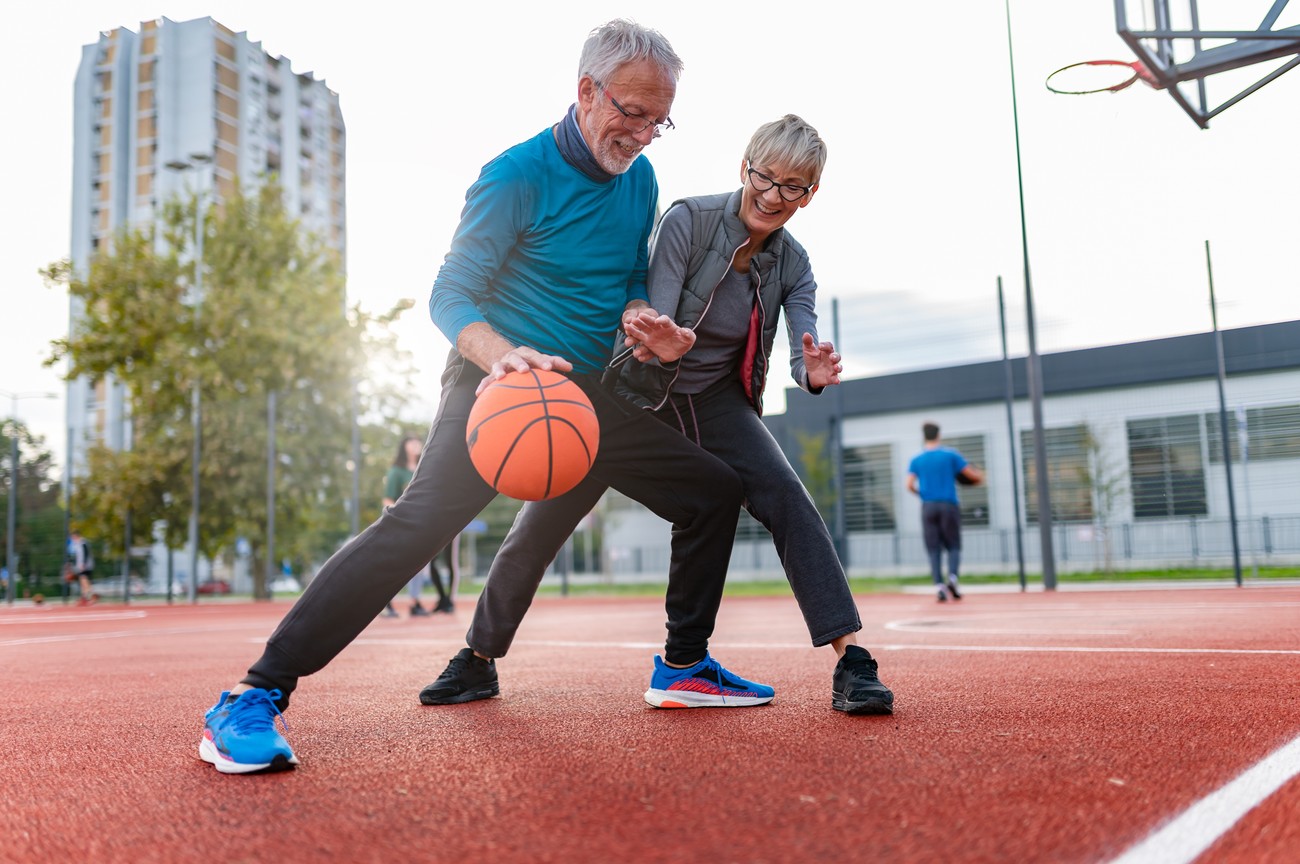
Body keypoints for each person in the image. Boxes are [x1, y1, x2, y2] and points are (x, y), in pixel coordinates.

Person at [200, 19, 769, 776]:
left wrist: (641, 317)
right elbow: (449, 294)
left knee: (713, 491)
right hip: (498, 381)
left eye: (658, 121)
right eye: (631, 113)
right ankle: (252, 695)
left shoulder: (639, 179)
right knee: (419, 525)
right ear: (586, 91)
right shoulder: (515, 175)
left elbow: (630, 275)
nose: (641, 135)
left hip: (584, 393)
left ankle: (684, 665)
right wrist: (503, 357)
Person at [423, 115, 894, 716]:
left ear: (811, 192)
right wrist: (659, 338)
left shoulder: (793, 264)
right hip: (639, 393)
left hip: (717, 404)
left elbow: (805, 341)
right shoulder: (688, 220)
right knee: (544, 519)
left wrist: (812, 372)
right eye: (764, 176)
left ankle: (852, 662)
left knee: (787, 498)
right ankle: (477, 658)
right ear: (745, 167)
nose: (773, 195)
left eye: (792, 186)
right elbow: (651, 318)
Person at [906, 422, 984, 602]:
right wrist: (979, 474)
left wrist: (922, 494)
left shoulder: (917, 459)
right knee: (953, 545)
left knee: (933, 548)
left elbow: (909, 484)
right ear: (938, 435)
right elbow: (972, 475)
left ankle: (939, 586)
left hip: (928, 506)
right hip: (949, 505)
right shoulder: (951, 455)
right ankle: (953, 579)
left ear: (924, 436)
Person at [379, 435, 453, 618]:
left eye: (418, 442)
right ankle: (385, 604)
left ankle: (414, 602)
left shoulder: (424, 469)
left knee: (418, 565)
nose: (416, 445)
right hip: (401, 523)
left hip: (420, 524)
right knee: (395, 565)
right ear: (404, 447)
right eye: (411, 442)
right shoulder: (397, 471)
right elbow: (388, 499)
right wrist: (395, 519)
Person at [67, 530, 95, 606]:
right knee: (83, 581)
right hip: (81, 565)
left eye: (73, 537)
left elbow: (86, 553)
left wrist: (83, 564)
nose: (72, 539)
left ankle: (90, 597)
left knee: (84, 580)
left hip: (86, 565)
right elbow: (76, 556)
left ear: (76, 536)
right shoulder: (76, 544)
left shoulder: (83, 542)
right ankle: (85, 597)